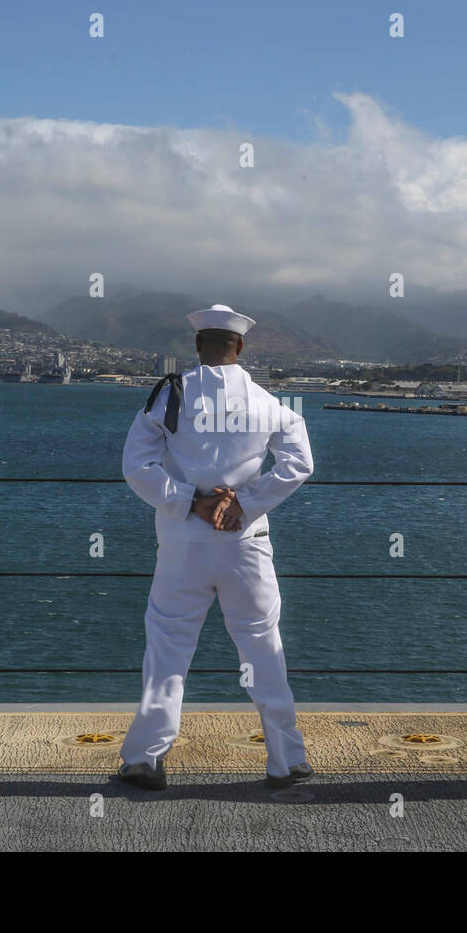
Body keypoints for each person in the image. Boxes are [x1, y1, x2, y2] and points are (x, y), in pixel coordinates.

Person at [118, 303, 314, 790]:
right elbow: (298, 463)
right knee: (262, 648)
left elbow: (136, 467)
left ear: (197, 346)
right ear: (241, 347)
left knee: (168, 650)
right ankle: (286, 761)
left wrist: (191, 501)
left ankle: (146, 758)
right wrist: (243, 504)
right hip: (245, 545)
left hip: (183, 542)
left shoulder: (171, 396)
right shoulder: (269, 402)